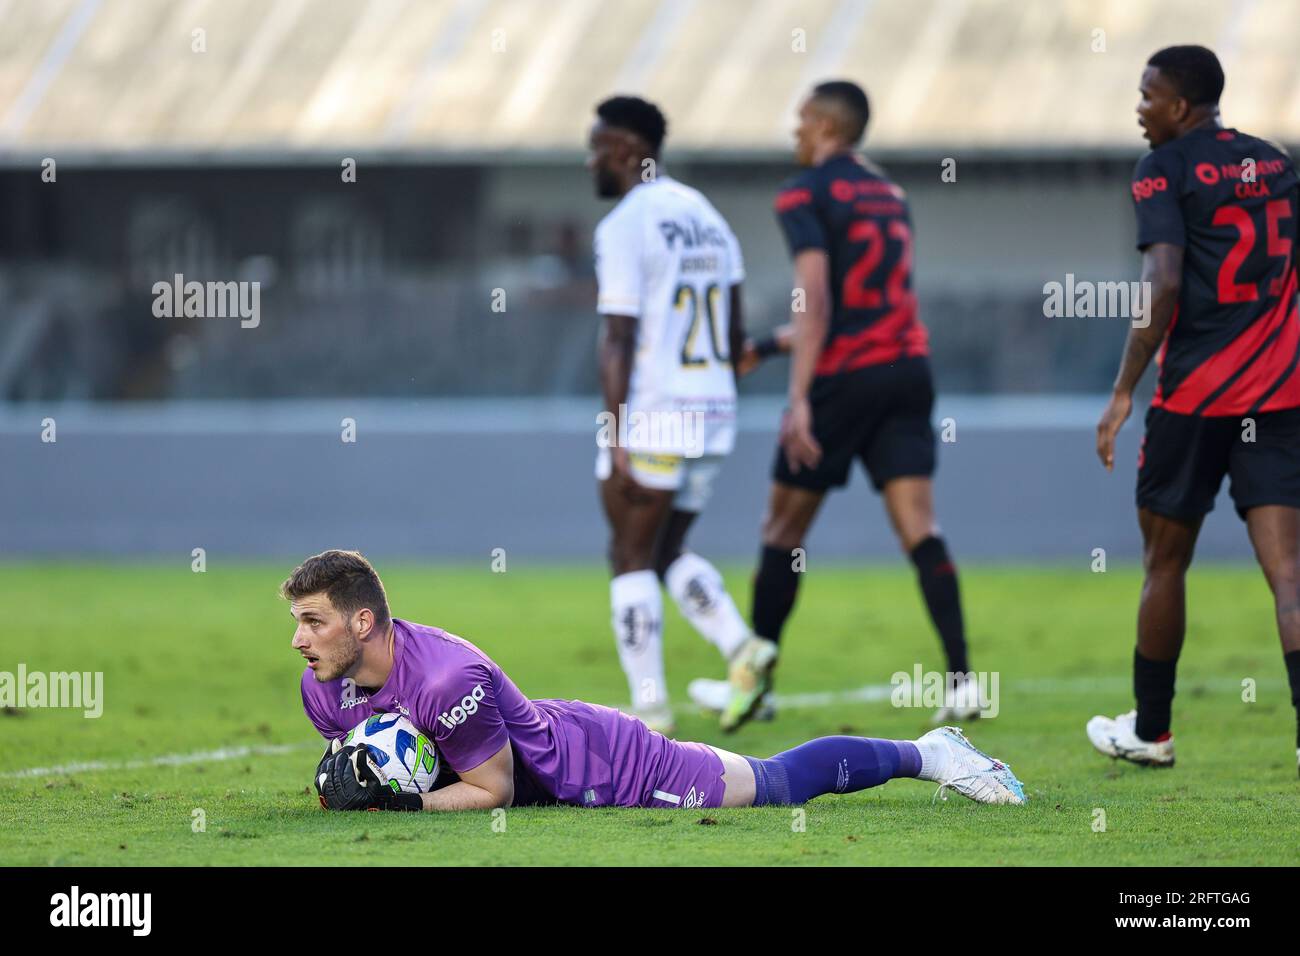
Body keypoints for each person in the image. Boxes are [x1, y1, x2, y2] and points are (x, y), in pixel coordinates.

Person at [287, 550, 1026, 811]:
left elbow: (493, 792)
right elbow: (380, 764)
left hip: (602, 763)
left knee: (773, 787)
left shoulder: (448, 676)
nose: (299, 640)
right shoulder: (321, 686)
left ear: (362, 624)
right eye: (296, 622)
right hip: (533, 762)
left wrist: (403, 809)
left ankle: (933, 753)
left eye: (314, 621)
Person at [704, 80, 977, 732]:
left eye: (801, 120)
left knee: (781, 532)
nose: (794, 132)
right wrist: (769, 346)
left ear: (826, 125)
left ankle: (755, 686)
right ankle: (964, 680)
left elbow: (818, 301)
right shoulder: (892, 195)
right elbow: (863, 308)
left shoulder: (805, 192)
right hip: (908, 371)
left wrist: (797, 396)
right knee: (921, 528)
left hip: (843, 380)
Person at [1092, 46, 1300, 773]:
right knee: (1290, 571)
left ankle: (1151, 731)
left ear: (1181, 106)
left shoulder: (1165, 169)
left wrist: (1123, 388)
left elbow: (1164, 281)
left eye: (1147, 95)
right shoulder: (1275, 163)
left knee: (1164, 561)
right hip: (1278, 393)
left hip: (1197, 397)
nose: (1139, 108)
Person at [587, 95, 759, 735]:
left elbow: (618, 338)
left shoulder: (627, 224)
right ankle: (744, 649)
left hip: (655, 414)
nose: (590, 161)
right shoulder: (706, 215)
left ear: (628, 150)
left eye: (598, 148)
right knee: (665, 548)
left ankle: (650, 710)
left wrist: (618, 430)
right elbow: (735, 332)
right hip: (713, 412)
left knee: (629, 554)